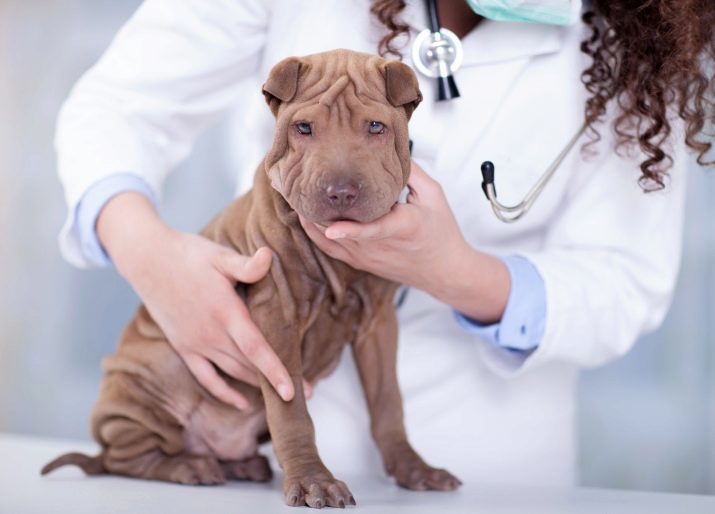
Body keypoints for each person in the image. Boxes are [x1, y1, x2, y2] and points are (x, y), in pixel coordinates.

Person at [56, 0, 713, 487]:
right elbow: (115, 106)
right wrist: (152, 256)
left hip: (489, 457)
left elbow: (627, 282)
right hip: (250, 461)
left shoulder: (632, 39)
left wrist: (458, 274)